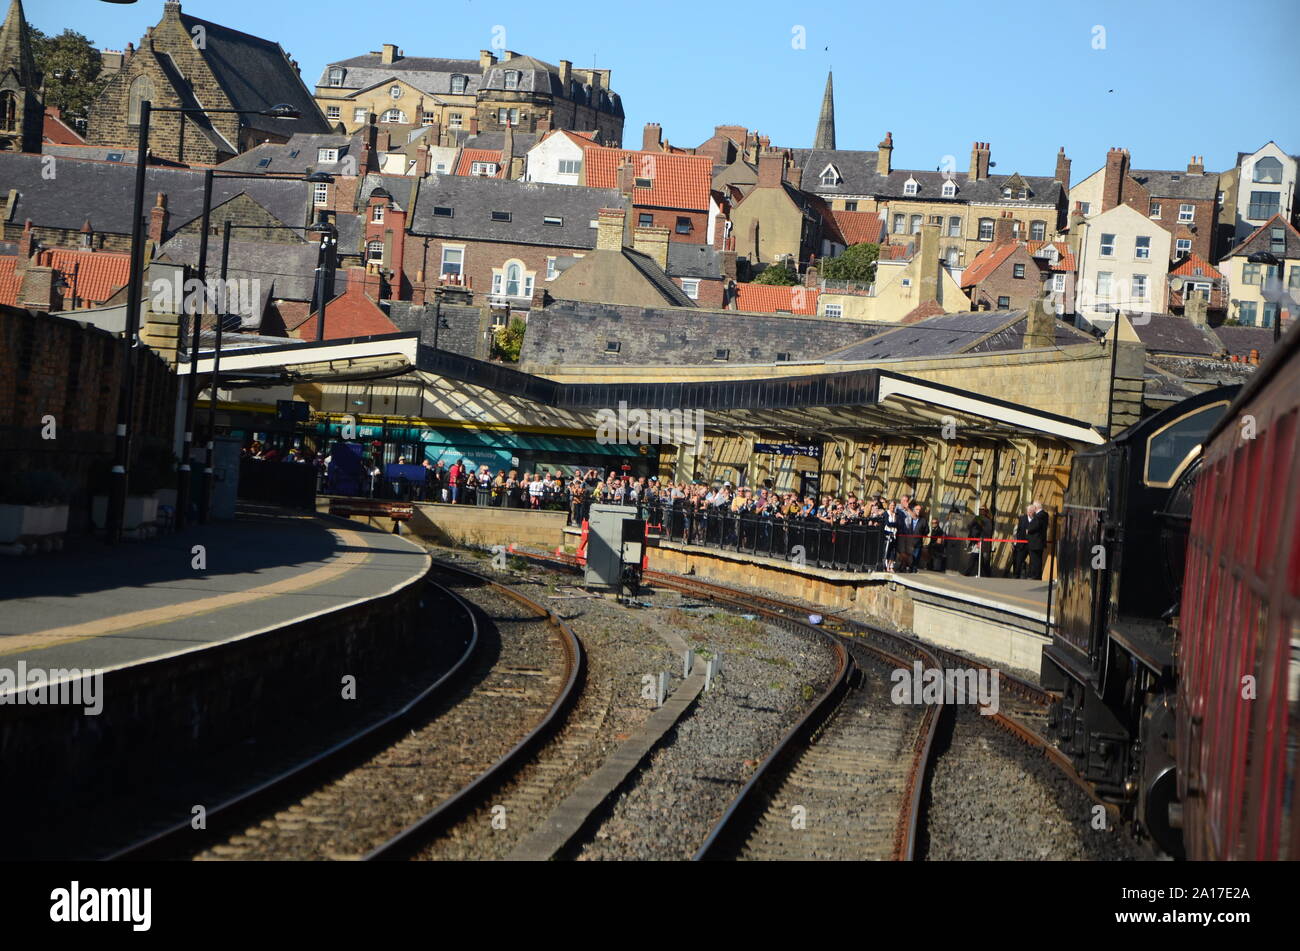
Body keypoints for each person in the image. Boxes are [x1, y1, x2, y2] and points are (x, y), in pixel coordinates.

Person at [1026, 501, 1049, 579]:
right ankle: (1036, 575)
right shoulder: (1044, 514)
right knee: (1037, 559)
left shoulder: (1039, 516)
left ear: (1035, 508)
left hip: (1036, 542)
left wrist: (1028, 530)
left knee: (1035, 560)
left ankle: (1035, 575)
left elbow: (1035, 526)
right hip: (1039, 542)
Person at [1012, 504, 1032, 578]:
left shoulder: (1035, 519)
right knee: (1019, 560)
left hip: (1031, 544)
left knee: (1032, 561)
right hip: (1021, 544)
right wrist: (1016, 543)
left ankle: (1030, 576)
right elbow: (1018, 532)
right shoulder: (1022, 519)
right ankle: (1016, 575)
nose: (1029, 512)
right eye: (1028, 511)